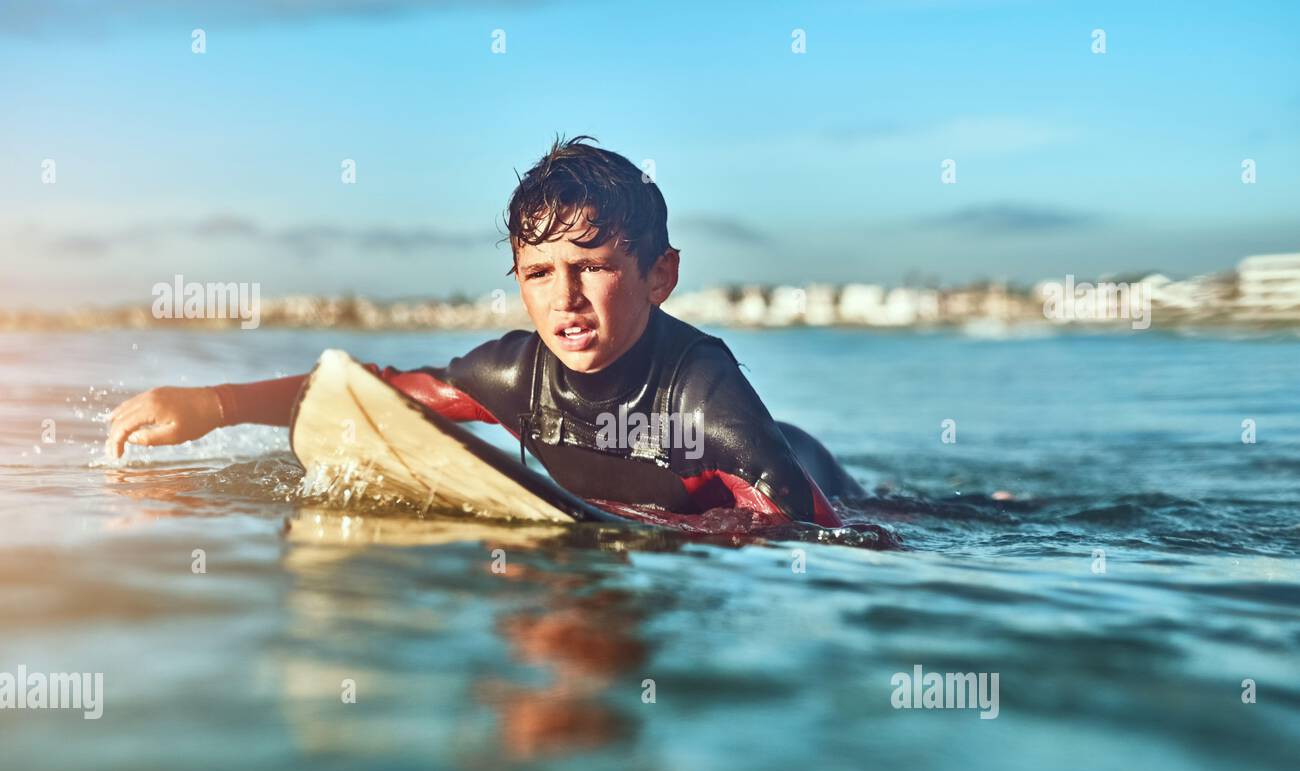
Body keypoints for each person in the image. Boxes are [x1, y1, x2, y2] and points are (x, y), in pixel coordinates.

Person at [105, 136, 863, 527]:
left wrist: (672, 528)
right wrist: (212, 404)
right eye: (538, 273)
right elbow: (371, 397)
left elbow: (812, 531)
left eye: (591, 266)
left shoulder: (702, 391)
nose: (565, 298)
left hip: (805, 468)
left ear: (658, 276)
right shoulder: (513, 376)